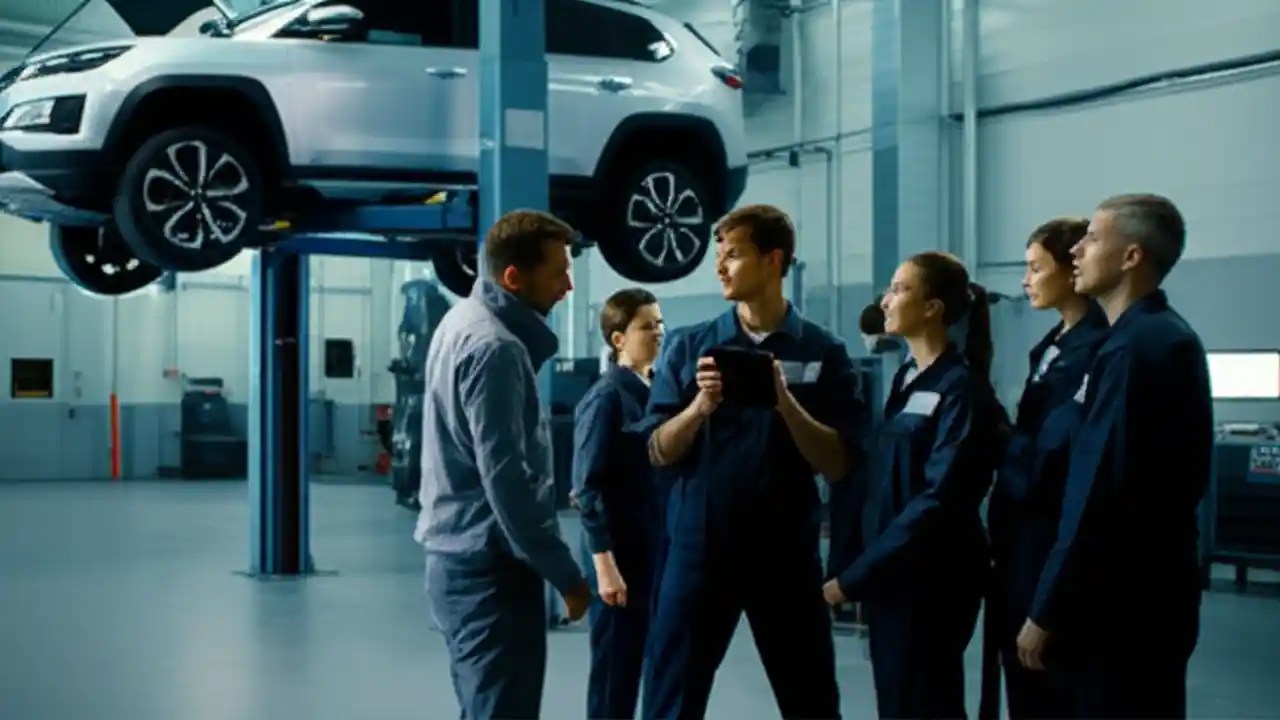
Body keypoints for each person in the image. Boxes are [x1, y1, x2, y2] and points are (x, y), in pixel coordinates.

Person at [642, 204, 864, 720]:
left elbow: (839, 463)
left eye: (734, 255)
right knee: (671, 698)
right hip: (699, 549)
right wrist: (699, 408)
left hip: (783, 552)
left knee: (809, 697)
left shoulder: (822, 351)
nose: (720, 267)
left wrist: (785, 401)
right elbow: (657, 449)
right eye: (718, 256)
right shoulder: (689, 346)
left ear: (773, 260)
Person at [1015, 193, 1212, 718]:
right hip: (1144, 594)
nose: (1076, 250)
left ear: (1132, 257)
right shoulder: (1148, 337)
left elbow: (1098, 488)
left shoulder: (1135, 348)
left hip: (1123, 605)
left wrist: (1046, 606)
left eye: (1093, 238)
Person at [414, 208, 592, 720]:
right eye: (558, 270)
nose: (568, 285)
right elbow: (507, 481)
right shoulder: (495, 347)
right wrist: (566, 576)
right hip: (488, 570)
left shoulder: (460, 322)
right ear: (514, 277)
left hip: (457, 559)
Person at [823, 250, 1003, 719]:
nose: (885, 300)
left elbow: (937, 501)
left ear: (932, 308)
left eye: (900, 289)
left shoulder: (960, 389)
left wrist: (856, 577)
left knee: (924, 703)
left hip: (932, 581)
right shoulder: (907, 377)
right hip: (894, 577)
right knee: (898, 701)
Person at [980, 218, 1109, 719]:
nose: (1025, 280)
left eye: (1036, 268)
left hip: (1049, 530)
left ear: (1071, 267)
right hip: (1020, 536)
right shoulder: (1055, 343)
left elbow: (1052, 455)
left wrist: (1003, 446)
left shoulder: (1094, 350)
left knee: (1048, 685)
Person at [571, 288, 667, 719]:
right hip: (618, 560)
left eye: (660, 324)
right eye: (647, 326)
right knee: (615, 676)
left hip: (649, 555)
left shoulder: (651, 393)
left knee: (641, 669)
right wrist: (604, 566)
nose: (658, 333)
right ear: (617, 339)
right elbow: (587, 488)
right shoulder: (607, 398)